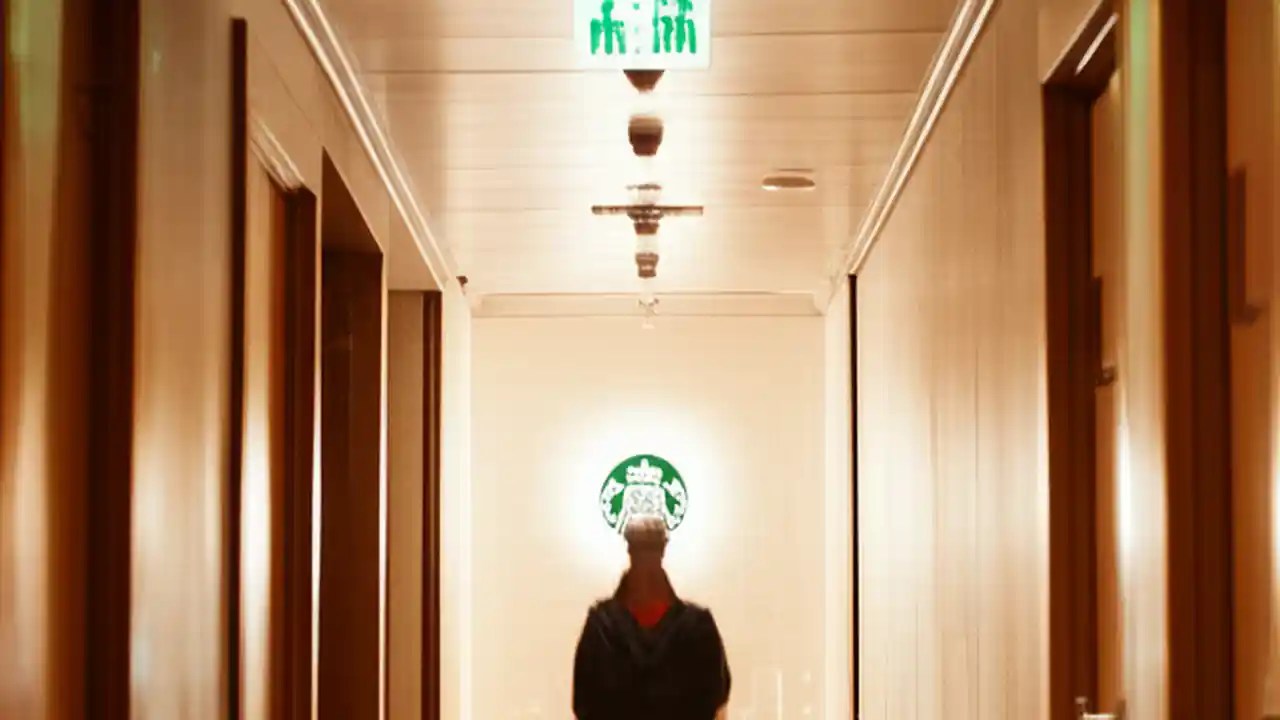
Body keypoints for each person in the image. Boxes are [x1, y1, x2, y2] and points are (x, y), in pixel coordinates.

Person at [572, 515, 731, 719]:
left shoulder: (601, 627)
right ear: (663, 551)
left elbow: (583, 707)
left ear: (629, 551)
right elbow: (718, 708)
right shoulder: (699, 628)